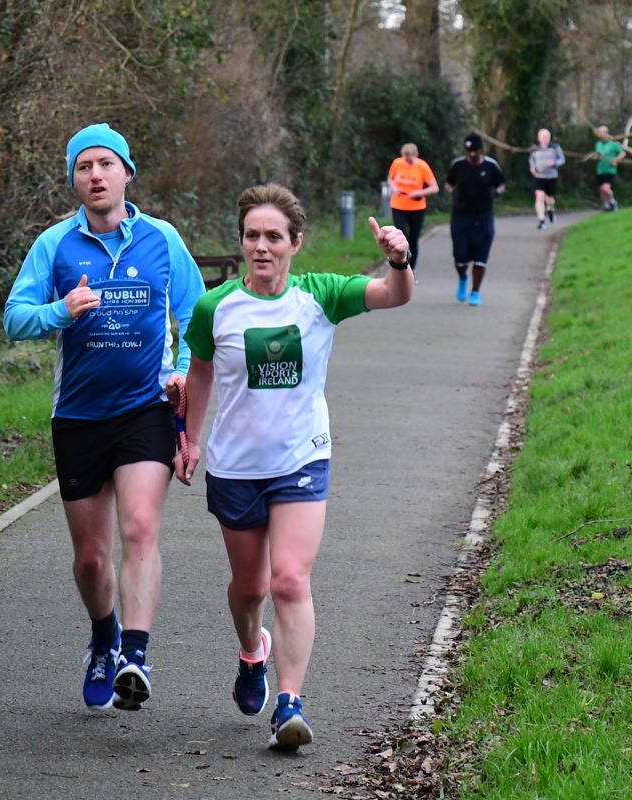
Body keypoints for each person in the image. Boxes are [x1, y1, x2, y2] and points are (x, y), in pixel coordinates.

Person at [173, 183, 413, 751]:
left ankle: (289, 703)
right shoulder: (216, 307)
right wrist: (189, 437)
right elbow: (200, 375)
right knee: (250, 586)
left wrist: (399, 260)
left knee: (289, 578)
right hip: (234, 467)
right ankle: (251, 651)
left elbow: (394, 295)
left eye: (273, 237)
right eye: (252, 236)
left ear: (295, 243)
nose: (262, 246)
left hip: (301, 458)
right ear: (241, 242)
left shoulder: (321, 296)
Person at [2, 123, 205, 711]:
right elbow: (14, 319)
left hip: (145, 408)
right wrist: (61, 311)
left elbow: (196, 315)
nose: (95, 175)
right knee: (92, 558)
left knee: (140, 528)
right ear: (74, 179)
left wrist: (182, 376)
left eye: (105, 164)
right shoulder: (54, 246)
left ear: (126, 173)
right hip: (79, 416)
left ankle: (135, 657)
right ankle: (103, 635)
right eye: (84, 166)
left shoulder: (163, 240)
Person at [444, 132, 505, 307]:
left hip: (483, 217)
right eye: (469, 152)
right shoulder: (458, 165)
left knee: (480, 258)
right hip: (461, 217)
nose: (472, 155)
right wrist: (453, 192)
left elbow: (501, 185)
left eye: (475, 152)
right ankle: (463, 278)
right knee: (460, 257)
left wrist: (495, 193)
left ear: (480, 151)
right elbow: (448, 184)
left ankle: (475, 291)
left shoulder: (491, 165)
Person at [387, 143, 439, 274]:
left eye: (410, 159)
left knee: (413, 238)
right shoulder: (397, 163)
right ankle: (400, 266)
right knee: (401, 235)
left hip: (416, 207)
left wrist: (419, 193)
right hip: (399, 205)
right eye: (406, 158)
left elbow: (434, 187)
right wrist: (394, 188)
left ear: (416, 155)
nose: (407, 161)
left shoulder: (422, 166)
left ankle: (412, 268)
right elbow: (390, 178)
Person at [528, 128, 565, 230]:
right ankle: (541, 221)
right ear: (538, 138)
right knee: (539, 197)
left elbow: (562, 159)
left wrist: (555, 163)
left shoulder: (555, 147)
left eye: (546, 137)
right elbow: (532, 159)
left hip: (551, 176)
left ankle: (551, 209)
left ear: (549, 138)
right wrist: (532, 167)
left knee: (549, 199)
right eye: (542, 136)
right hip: (539, 176)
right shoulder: (535, 148)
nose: (544, 138)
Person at [593, 125, 625, 211]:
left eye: (601, 132)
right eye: (599, 132)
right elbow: (598, 154)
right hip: (600, 169)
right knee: (601, 190)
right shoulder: (598, 144)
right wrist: (596, 156)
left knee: (606, 188)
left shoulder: (613, 144)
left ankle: (613, 202)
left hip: (610, 169)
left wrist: (616, 160)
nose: (599, 134)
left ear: (606, 133)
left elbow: (622, 153)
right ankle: (606, 205)